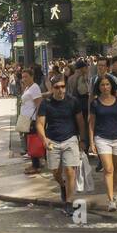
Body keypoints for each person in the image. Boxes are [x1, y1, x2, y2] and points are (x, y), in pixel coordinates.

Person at [35, 76, 85, 213]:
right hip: (52, 141)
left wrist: (82, 139)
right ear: (52, 89)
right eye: (57, 87)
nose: (60, 90)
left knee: (70, 171)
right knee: (55, 172)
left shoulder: (73, 101)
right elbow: (40, 123)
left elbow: (80, 121)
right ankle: (62, 185)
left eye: (63, 87)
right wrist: (44, 139)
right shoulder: (46, 103)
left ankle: (69, 202)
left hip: (70, 139)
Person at [89, 74, 117, 211]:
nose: (105, 87)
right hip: (102, 138)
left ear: (111, 86)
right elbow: (91, 123)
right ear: (99, 87)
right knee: (108, 169)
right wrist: (91, 141)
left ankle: (114, 193)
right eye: (102, 85)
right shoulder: (95, 103)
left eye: (107, 84)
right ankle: (110, 201)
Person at [17, 69, 43, 174]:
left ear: (32, 76)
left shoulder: (35, 87)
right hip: (26, 119)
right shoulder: (28, 87)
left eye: (26, 77)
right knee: (30, 141)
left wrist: (37, 120)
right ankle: (35, 163)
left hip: (32, 120)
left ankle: (36, 165)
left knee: (33, 141)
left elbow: (39, 104)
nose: (24, 79)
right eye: (23, 77)